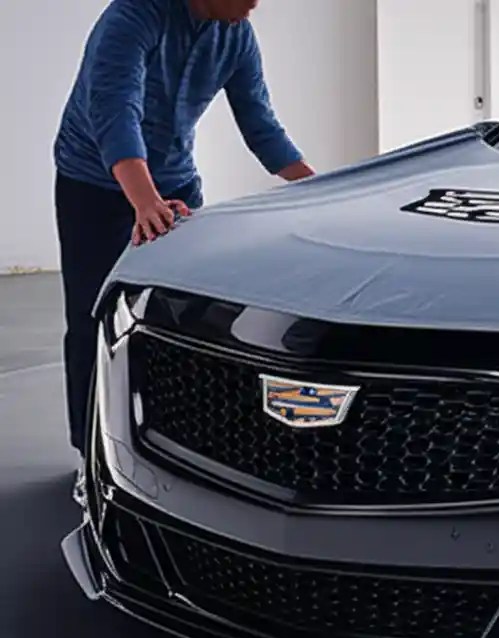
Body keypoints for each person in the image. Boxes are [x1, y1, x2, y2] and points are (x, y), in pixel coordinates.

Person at [53, 0, 314, 484]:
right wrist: (144, 201)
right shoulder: (132, 17)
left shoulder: (236, 34)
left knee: (184, 321)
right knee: (93, 315)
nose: (256, 3)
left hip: (175, 184)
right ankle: (91, 453)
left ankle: (176, 444)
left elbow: (259, 122)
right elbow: (115, 111)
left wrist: (318, 189)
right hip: (95, 184)